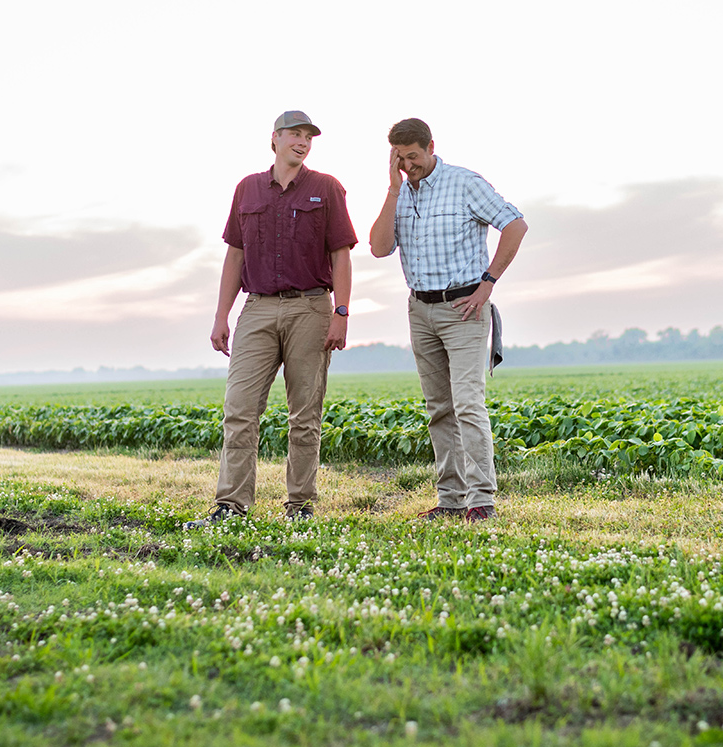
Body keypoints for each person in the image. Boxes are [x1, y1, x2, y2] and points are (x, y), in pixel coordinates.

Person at [186, 111, 357, 528]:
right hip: (257, 308)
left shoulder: (327, 188)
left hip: (311, 307)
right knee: (239, 408)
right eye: (294, 135)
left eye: (308, 137)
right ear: (275, 139)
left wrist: (341, 312)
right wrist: (221, 315)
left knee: (304, 413)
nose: (302, 142)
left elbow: (341, 254)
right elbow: (235, 254)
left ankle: (300, 506)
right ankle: (230, 507)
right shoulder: (247, 189)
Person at [370, 117, 528, 522]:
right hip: (420, 310)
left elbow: (515, 224)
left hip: (464, 309)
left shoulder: (464, 183)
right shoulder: (400, 193)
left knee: (468, 404)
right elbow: (379, 247)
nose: (408, 166)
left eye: (414, 157)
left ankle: (482, 499)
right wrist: (392, 189)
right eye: (400, 159)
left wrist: (488, 283)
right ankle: (451, 499)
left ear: (430, 147)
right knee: (439, 407)